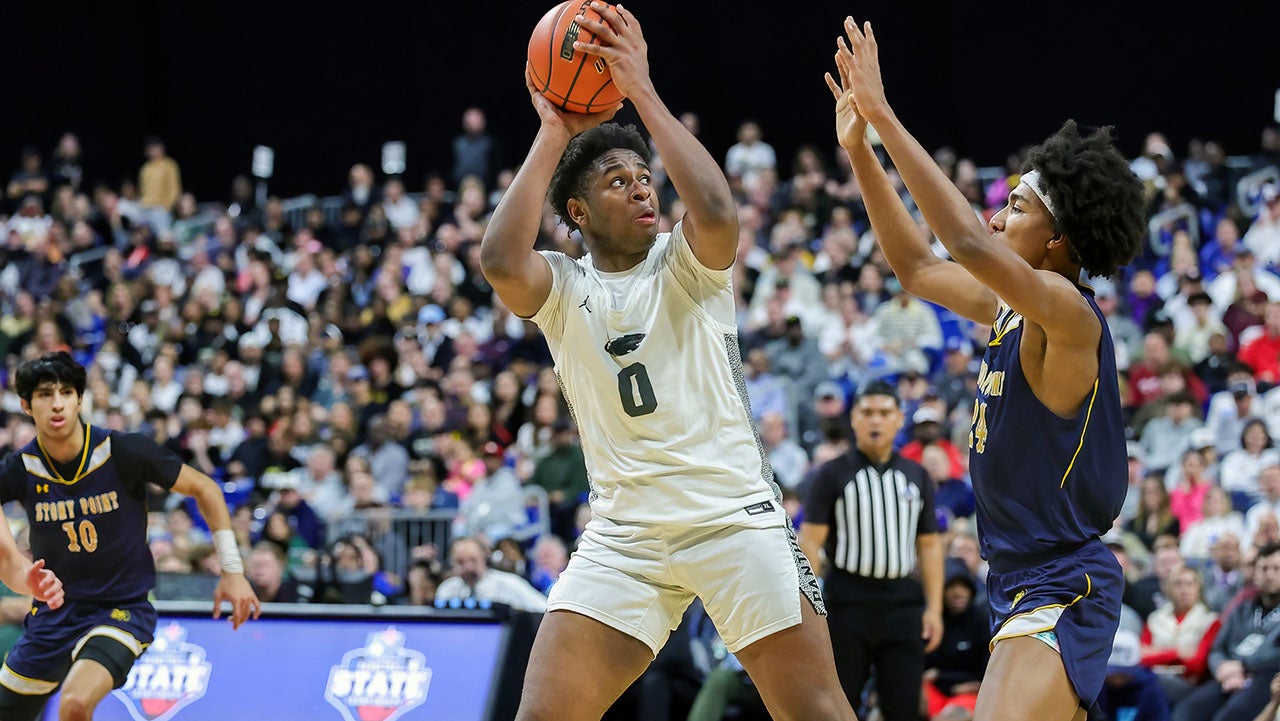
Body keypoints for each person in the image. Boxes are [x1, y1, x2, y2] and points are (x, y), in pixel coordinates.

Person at [479, 5, 855, 720]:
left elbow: (715, 209)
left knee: (818, 712)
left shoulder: (685, 264)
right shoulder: (564, 287)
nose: (642, 187)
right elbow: (500, 258)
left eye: (642, 176)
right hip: (627, 535)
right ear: (579, 213)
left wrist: (641, 91)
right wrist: (555, 129)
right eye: (617, 182)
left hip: (732, 514)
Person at [829, 16, 1145, 721]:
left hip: (1064, 580)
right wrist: (860, 153)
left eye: (1017, 206)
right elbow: (915, 265)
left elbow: (966, 241)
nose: (999, 218)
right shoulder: (1010, 307)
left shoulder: (1069, 314)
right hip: (1016, 576)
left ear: (1059, 237)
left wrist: (882, 113)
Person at [0, 352, 259, 721]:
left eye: (67, 392)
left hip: (119, 609)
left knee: (74, 703)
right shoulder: (18, 469)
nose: (57, 403)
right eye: (44, 394)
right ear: (26, 405)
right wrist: (26, 581)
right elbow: (7, 560)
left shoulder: (121, 450)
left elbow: (206, 488)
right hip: (55, 614)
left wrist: (232, 569)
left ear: (79, 399)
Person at [799, 380, 944, 721]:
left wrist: (934, 608)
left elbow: (929, 545)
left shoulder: (917, 475)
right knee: (841, 704)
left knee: (903, 705)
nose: (875, 421)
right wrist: (812, 608)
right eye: (867, 413)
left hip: (902, 604)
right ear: (853, 419)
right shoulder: (830, 475)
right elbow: (810, 544)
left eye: (884, 413)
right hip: (849, 601)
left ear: (899, 418)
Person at [1172, 542, 1280, 721]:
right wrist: (1221, 668)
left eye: (1276, 569)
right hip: (1228, 676)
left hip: (1264, 678)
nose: (1270, 575)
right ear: (1256, 573)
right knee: (1187, 710)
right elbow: (1217, 647)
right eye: (1264, 568)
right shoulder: (1242, 608)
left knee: (1229, 717)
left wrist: (1243, 666)